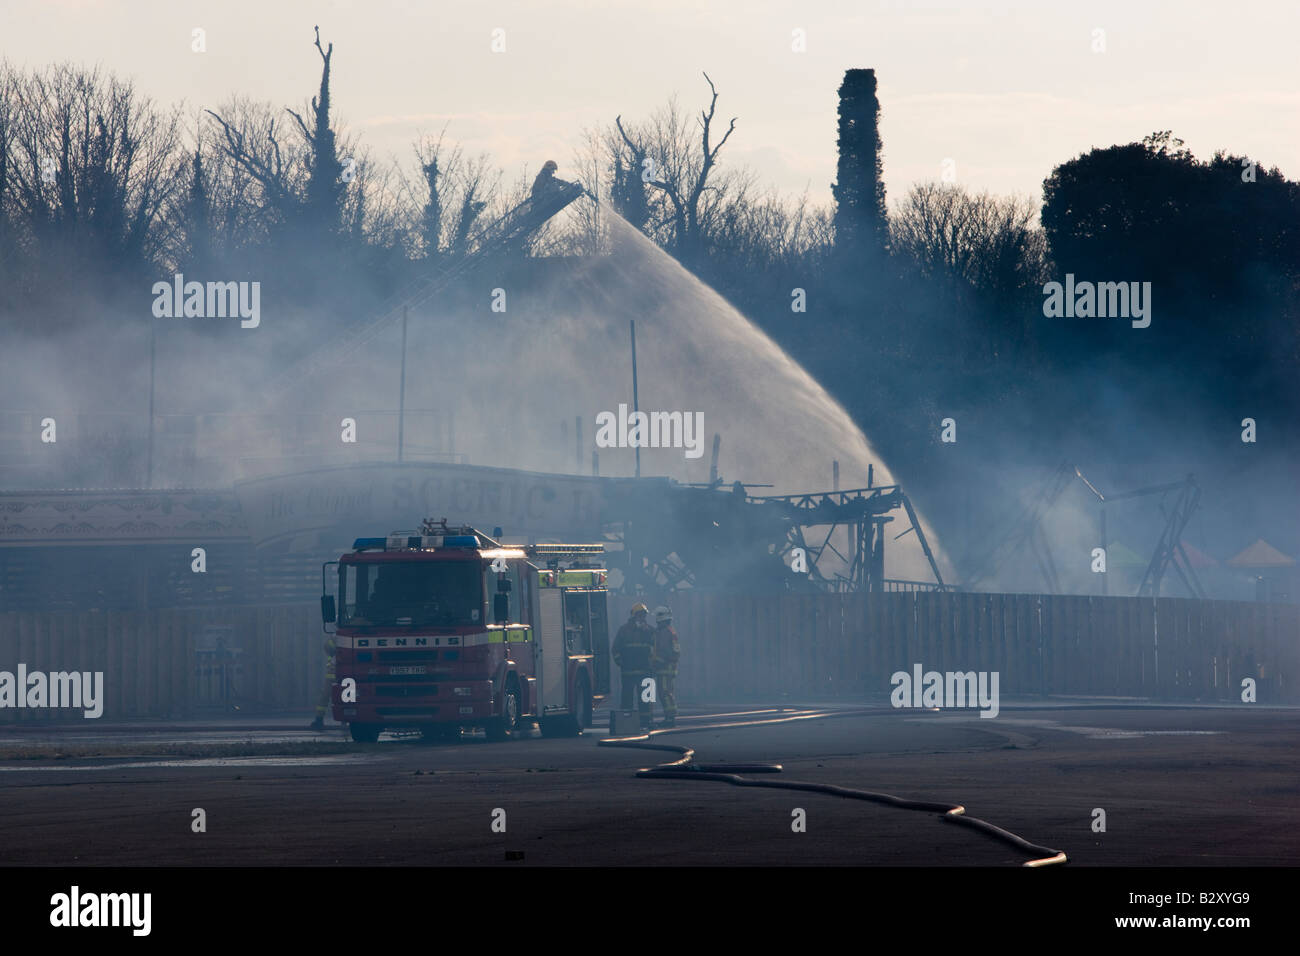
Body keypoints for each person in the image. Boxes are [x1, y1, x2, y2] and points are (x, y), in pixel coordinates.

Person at [612, 603, 655, 729]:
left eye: (644, 615)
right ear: (634, 616)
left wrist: (653, 665)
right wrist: (620, 662)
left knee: (646, 699)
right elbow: (615, 649)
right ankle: (627, 723)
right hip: (628, 672)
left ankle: (647, 722)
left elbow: (656, 649)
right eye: (640, 614)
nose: (642, 617)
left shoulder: (650, 631)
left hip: (646, 671)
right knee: (627, 699)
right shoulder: (623, 630)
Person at [651, 606, 680, 727]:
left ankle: (670, 719)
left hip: (664, 668)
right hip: (670, 668)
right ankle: (670, 717)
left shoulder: (664, 632)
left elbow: (663, 651)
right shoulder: (671, 630)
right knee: (668, 692)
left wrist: (655, 664)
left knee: (664, 693)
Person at [308, 633, 336, 731]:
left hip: (337, 673)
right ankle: (319, 719)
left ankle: (319, 719)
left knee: (325, 697)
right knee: (325, 697)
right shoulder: (336, 636)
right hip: (337, 673)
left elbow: (327, 647)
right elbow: (327, 647)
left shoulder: (336, 636)